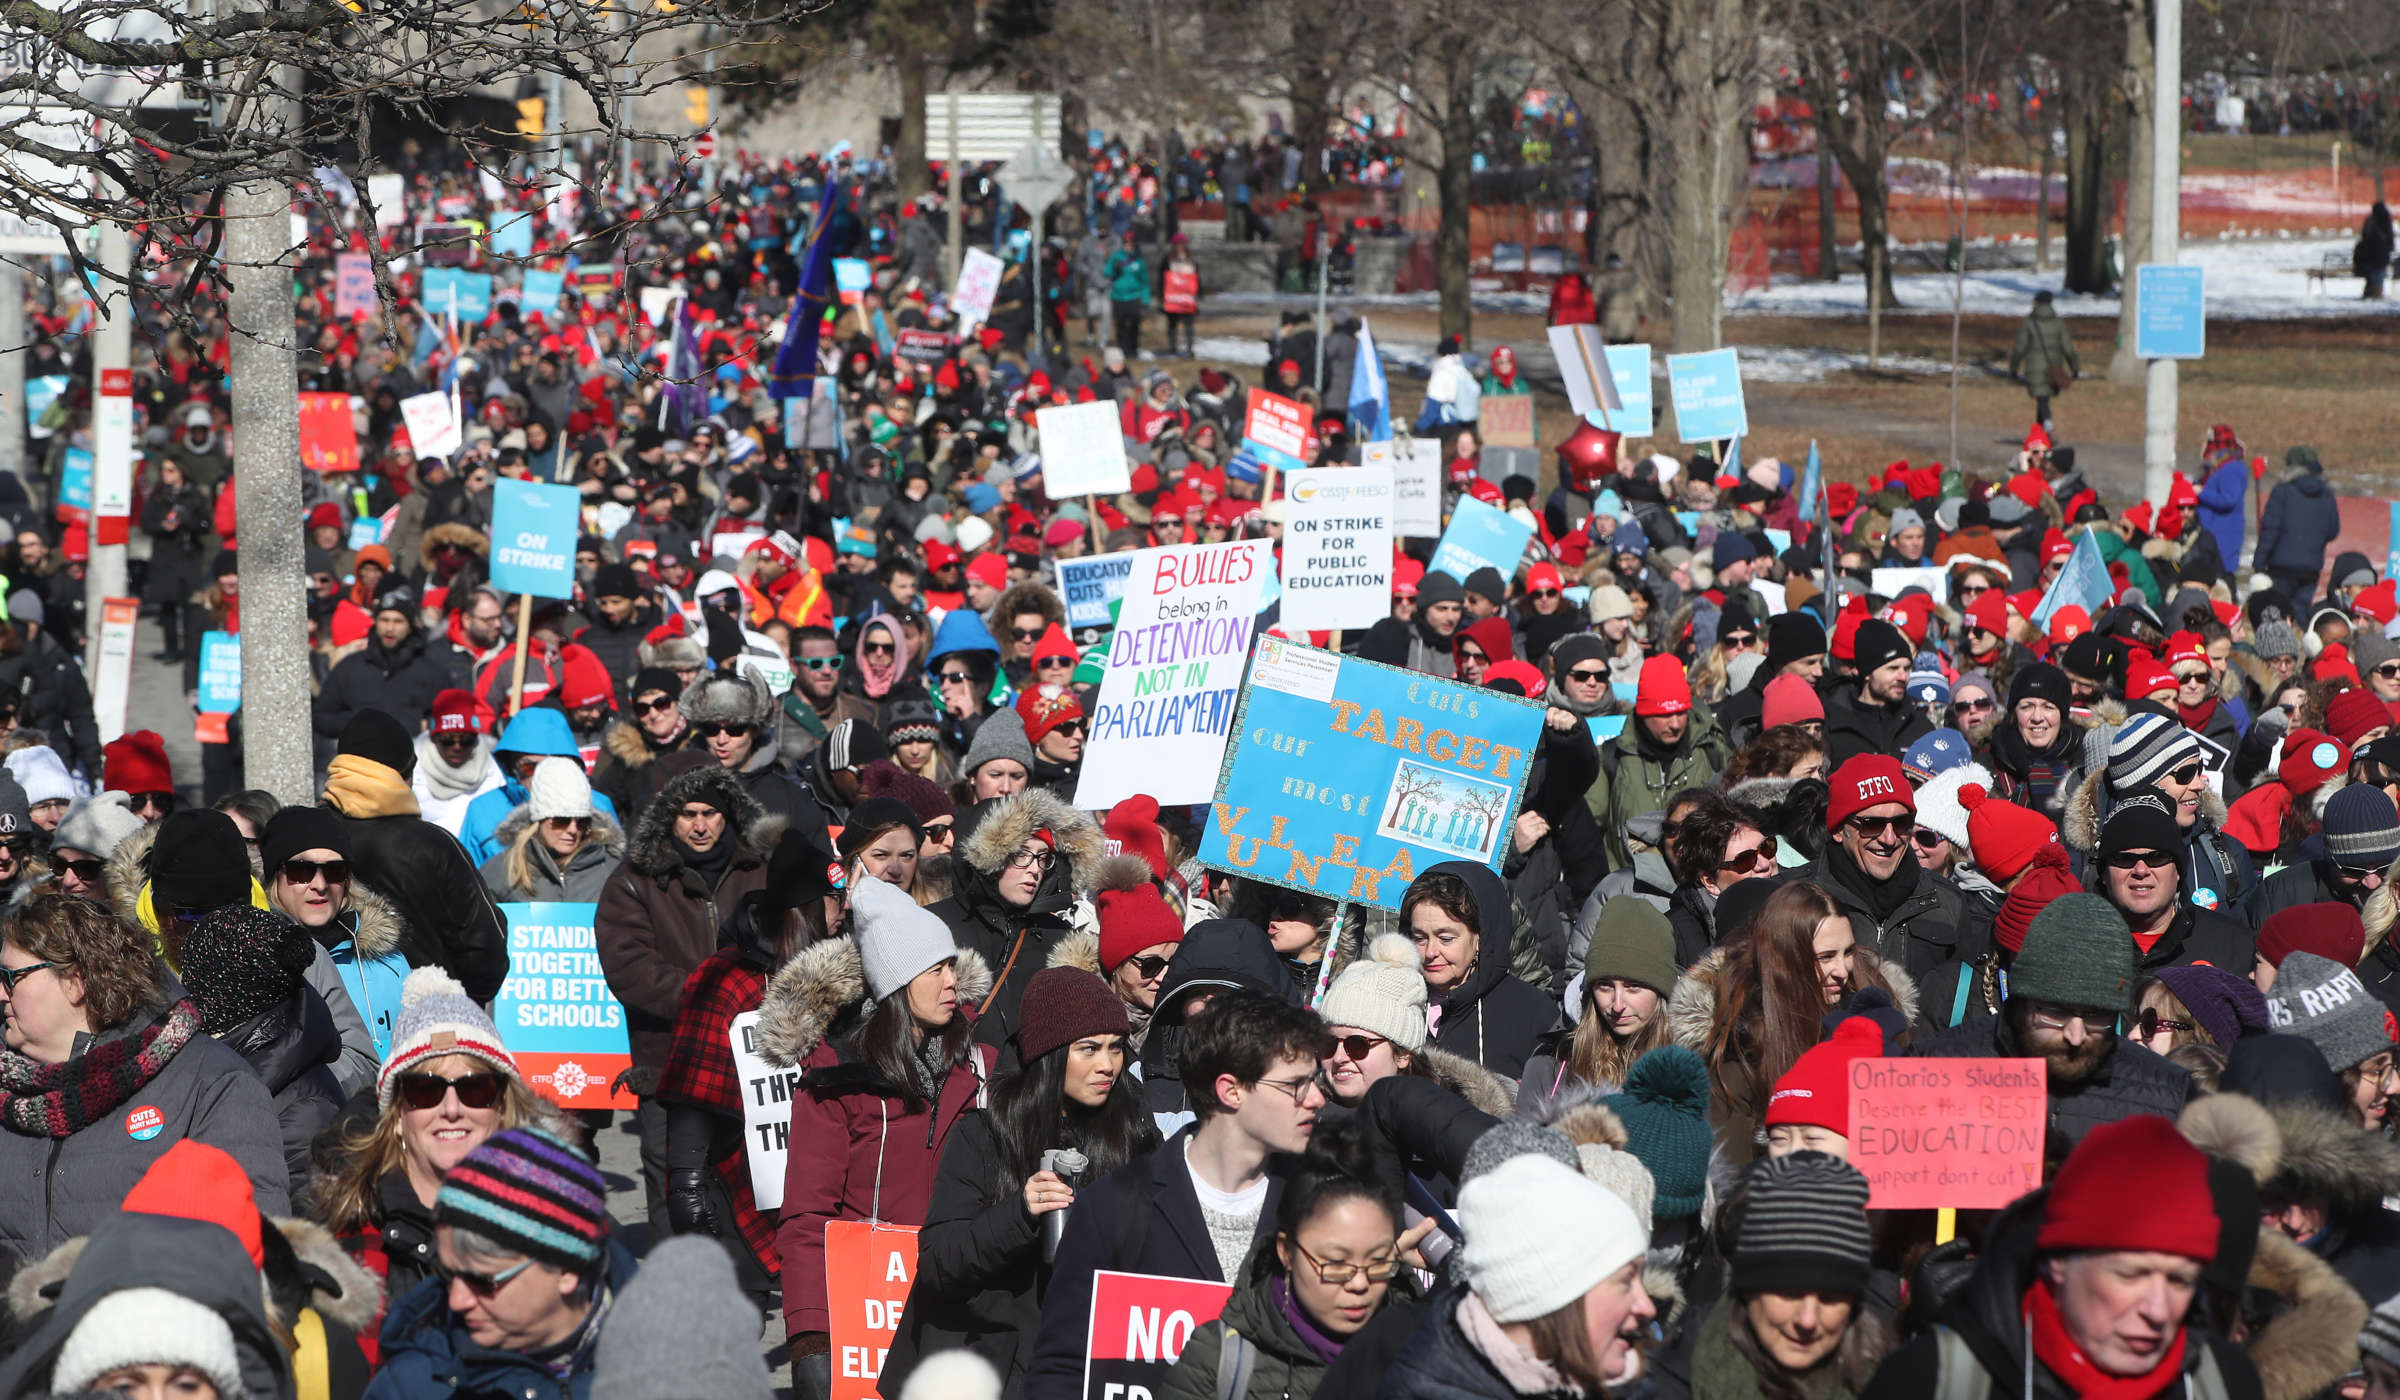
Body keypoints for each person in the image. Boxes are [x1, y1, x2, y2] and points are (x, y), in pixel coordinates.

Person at [1026, 992, 1332, 1400]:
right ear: (1231, 1090)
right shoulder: (1114, 1208)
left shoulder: (1324, 1208)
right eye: (1295, 1084)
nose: (1316, 1099)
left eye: (1315, 1081)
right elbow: (1062, 1371)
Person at [760, 877, 997, 1400]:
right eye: (935, 970)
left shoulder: (980, 1066)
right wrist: (811, 1341)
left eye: (952, 966)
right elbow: (806, 1220)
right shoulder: (835, 1081)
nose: (952, 982)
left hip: (962, 1305)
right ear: (896, 982)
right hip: (869, 1309)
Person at [882, 967, 1157, 1397]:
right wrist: (1021, 1212)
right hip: (981, 1368)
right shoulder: (985, 1135)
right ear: (1049, 1054)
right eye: (1088, 1049)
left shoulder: (1134, 1136)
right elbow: (939, 1263)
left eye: (1116, 1048)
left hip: (1081, 1367)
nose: (1107, 1065)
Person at [0, 894, 288, 1264]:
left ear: (75, 981)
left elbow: (250, 1247)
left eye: (11, 978)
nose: (1, 994)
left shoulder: (209, 1083)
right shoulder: (10, 1084)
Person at [310, 965, 582, 1348]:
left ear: (503, 1107)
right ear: (397, 1115)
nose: (451, 1108)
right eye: (425, 1089)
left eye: (475, 1088)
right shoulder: (343, 1242)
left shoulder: (562, 1223)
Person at [595, 761, 775, 1225]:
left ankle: (741, 1292)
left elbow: (796, 944)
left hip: (755, 1057)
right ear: (667, 818)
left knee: (751, 1183)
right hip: (669, 1062)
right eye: (687, 813)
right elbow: (630, 967)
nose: (699, 825)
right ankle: (670, 1290)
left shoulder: (762, 871)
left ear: (729, 815)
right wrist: (714, 1000)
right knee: (672, 1187)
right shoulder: (634, 880)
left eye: (710, 814)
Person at [365, 1126, 634, 1400]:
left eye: (482, 1281)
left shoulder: (662, 1362)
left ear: (567, 1270)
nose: (457, 1301)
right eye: (446, 1274)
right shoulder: (413, 1384)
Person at [1913, 894, 2191, 1145]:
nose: (2075, 1035)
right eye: (2056, 1012)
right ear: (2022, 1000)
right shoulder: (1934, 1067)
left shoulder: (2165, 1094)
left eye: (2096, 1015)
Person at [1159, 1130, 1415, 1400]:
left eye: (1378, 1261)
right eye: (1337, 1263)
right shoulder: (1217, 1361)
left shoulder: (1423, 1348)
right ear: (1286, 1252)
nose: (1360, 1284)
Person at [1381, 1152, 1654, 1400]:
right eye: (1626, 1281)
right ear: (1557, 1285)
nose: (1648, 1307)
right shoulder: (1422, 1385)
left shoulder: (1641, 1382)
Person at [1672, 881, 1907, 1164]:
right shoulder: (1738, 1046)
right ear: (1785, 962)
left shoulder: (1878, 1016)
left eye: (1848, 952)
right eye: (1825, 957)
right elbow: (1729, 1170)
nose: (1842, 970)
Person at [322, 709, 511, 1003]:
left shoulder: (303, 835)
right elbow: (486, 949)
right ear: (405, 776)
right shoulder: (435, 845)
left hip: (327, 1020)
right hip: (424, 1023)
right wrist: (455, 1006)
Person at [1692, 1152, 1892, 1400]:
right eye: (1789, 1292)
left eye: (1830, 1297)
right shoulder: (1684, 1365)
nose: (1807, 1320)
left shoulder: (1891, 1376)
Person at [176, 905, 345, 1190]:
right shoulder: (222, 1066)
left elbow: (297, 1223)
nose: (181, 990)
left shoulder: (307, 1116)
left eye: (192, 982)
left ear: (221, 996)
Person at [928, 787, 1105, 1051]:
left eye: (1043, 858)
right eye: (1021, 854)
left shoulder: (1063, 939)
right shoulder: (934, 926)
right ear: (989, 854)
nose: (1034, 869)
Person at [1790, 756, 1991, 986]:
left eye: (1901, 823)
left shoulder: (1948, 903)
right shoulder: (1794, 898)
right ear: (1838, 830)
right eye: (1872, 824)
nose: (1889, 838)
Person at [261, 802, 411, 1079]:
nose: (319, 884)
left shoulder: (390, 962)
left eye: (333, 870)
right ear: (275, 878)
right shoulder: (253, 961)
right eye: (301, 870)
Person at [1517, 896, 1678, 1108]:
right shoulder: (1552, 1064)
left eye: (1633, 987)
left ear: (1660, 990)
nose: (1617, 1005)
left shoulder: (1701, 1063)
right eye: (1605, 985)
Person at [1402, 862, 1556, 1079]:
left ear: (1480, 938)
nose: (1430, 952)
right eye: (1420, 938)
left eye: (1446, 939)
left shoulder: (1532, 1014)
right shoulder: (1396, 1002)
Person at [2085, 790, 2256, 976]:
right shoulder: (2074, 945)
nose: (2141, 871)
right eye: (2124, 859)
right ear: (2104, 873)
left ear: (2179, 872)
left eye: (2157, 858)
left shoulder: (2231, 945)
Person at [1589, 655, 1729, 872]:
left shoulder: (1711, 748)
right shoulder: (1611, 755)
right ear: (1644, 713)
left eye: (1680, 712)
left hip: (1700, 880)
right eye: (1664, 714)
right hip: (1631, 886)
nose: (1674, 724)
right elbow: (1589, 827)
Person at [458, 706, 623, 866]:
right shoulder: (482, 810)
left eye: (552, 766)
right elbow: (466, 879)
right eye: (529, 768)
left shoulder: (599, 807)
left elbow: (615, 872)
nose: (541, 777)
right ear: (510, 768)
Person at [477, 757, 626, 903]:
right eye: (562, 821)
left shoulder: (612, 869)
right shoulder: (503, 869)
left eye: (582, 822)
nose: (573, 830)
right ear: (539, 820)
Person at [1822, 620, 1933, 768]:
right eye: (1893, 668)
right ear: (1867, 672)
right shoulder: (1833, 724)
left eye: (1906, 668)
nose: (1903, 677)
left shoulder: (1919, 725)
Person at [594, 666, 690, 818]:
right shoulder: (627, 754)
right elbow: (600, 805)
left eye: (661, 703)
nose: (653, 714)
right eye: (642, 708)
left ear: (678, 702)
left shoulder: (700, 742)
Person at [2258, 446, 2342, 616]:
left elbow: (2270, 529)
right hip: (2310, 568)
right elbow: (2333, 530)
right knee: (2300, 614)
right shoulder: (2326, 493)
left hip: (2280, 568)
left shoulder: (2282, 491)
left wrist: (2259, 562)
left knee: (2278, 613)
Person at [410, 689, 502, 835]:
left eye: (466, 740)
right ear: (433, 738)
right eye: (447, 740)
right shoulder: (412, 770)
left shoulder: (493, 769)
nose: (457, 747)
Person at [2007, 289, 2080, 428]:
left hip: (2034, 369)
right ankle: (2043, 432)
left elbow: (2019, 349)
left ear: (2037, 302)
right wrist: (2074, 367)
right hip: (2053, 368)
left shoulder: (2028, 323)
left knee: (2042, 399)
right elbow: (2068, 348)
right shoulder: (2058, 323)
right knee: (2043, 399)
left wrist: (2013, 368)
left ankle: (2046, 423)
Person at [2357, 200, 2394, 299]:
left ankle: (2372, 293)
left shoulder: (2370, 221)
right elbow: (2390, 239)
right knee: (2378, 276)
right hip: (2381, 255)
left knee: (2373, 276)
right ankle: (2377, 293)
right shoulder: (2386, 220)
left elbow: (2365, 237)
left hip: (2371, 256)